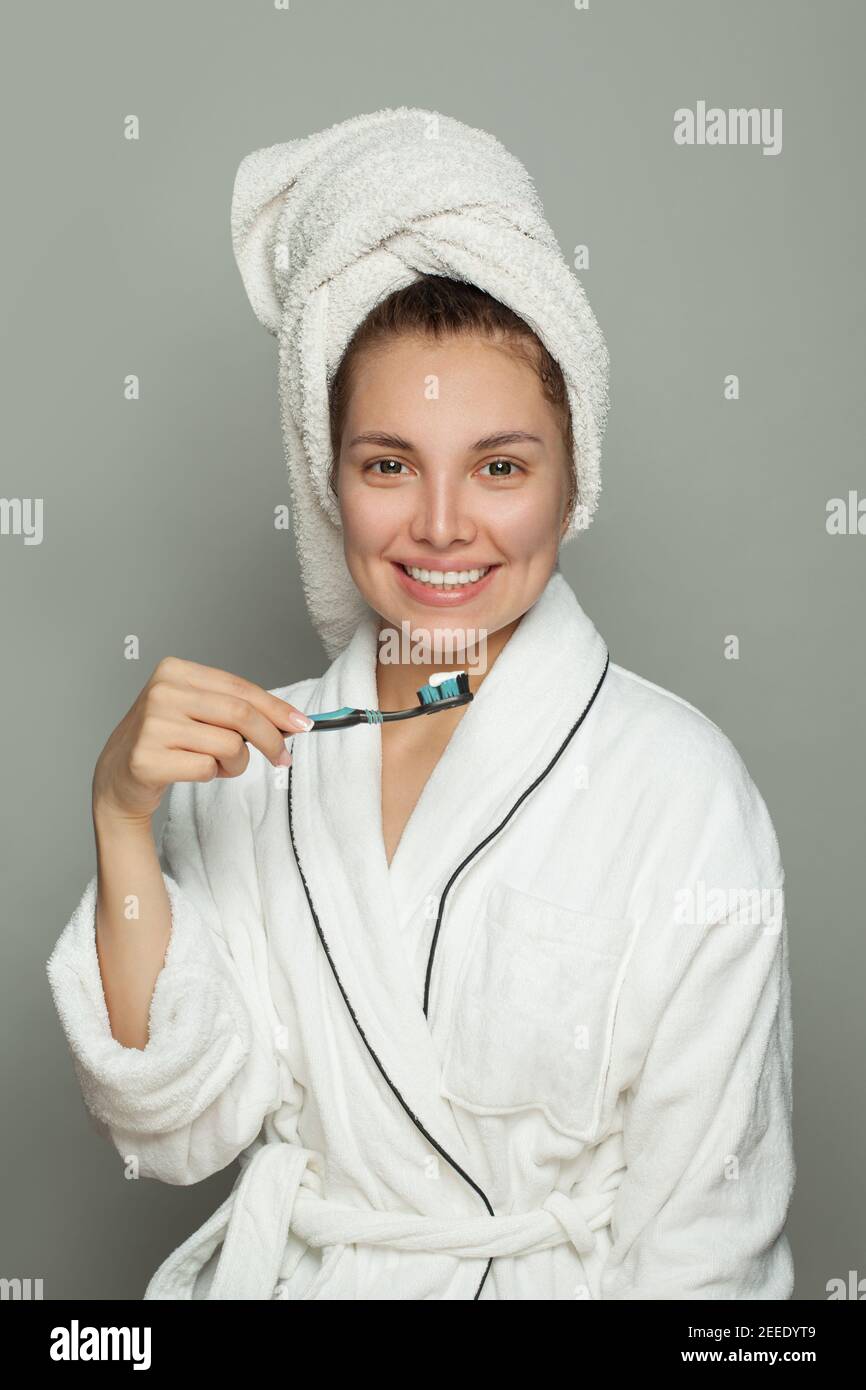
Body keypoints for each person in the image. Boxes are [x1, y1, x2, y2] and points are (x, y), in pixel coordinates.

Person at [46, 109, 795, 1301]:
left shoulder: (678, 790)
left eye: (499, 465)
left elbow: (708, 1242)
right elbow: (173, 1124)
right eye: (387, 462)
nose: (441, 523)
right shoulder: (254, 764)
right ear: (325, 477)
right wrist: (121, 817)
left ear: (571, 476)